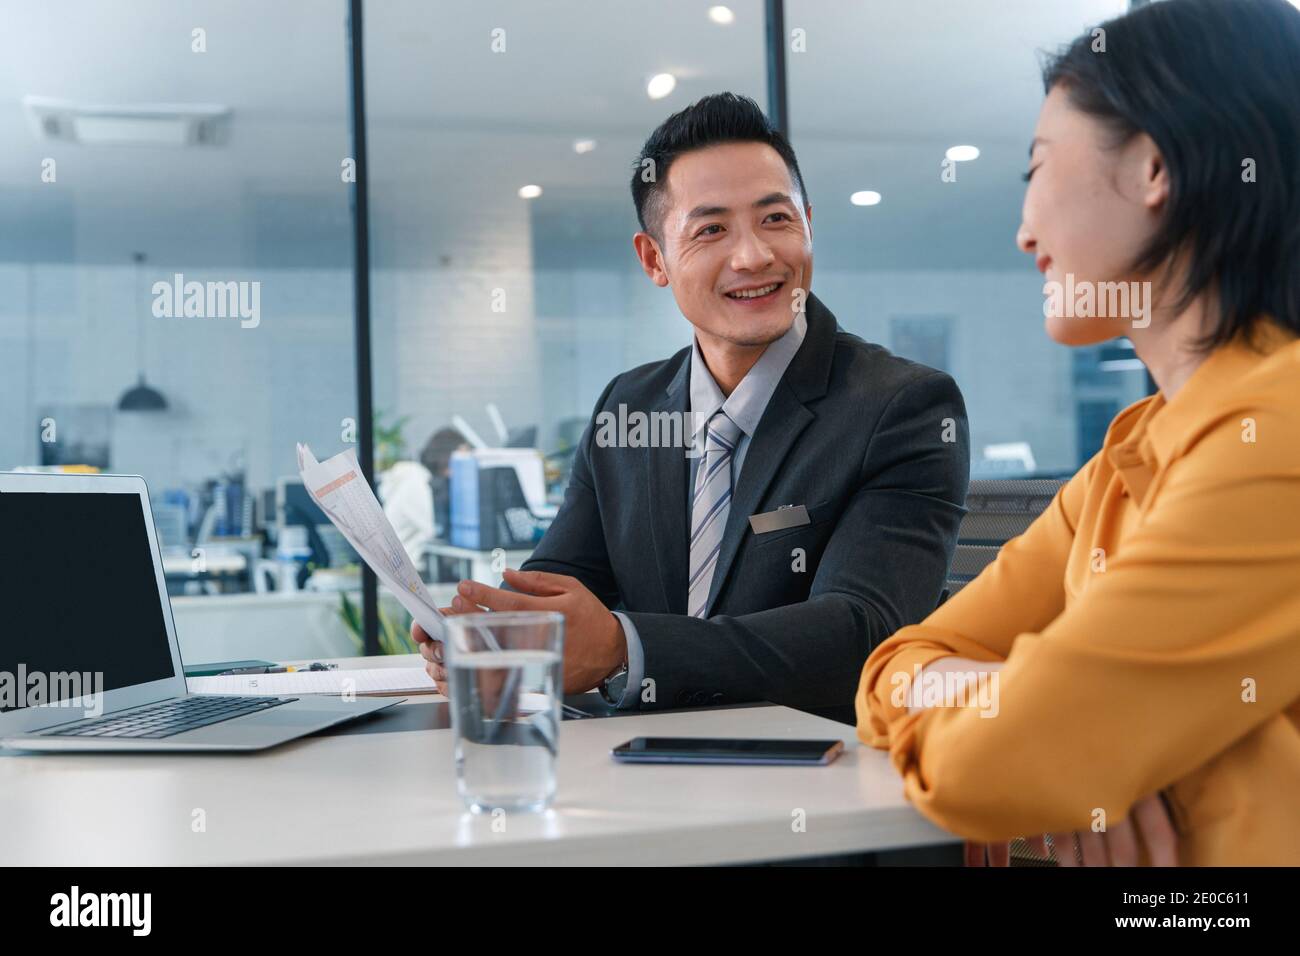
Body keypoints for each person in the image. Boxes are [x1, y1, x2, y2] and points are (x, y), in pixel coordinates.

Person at [857, 0, 1300, 866]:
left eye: (1037, 168)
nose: (1024, 230)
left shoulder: (1278, 437)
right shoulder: (1126, 460)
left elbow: (994, 762)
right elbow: (897, 661)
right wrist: (1049, 719)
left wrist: (1052, 736)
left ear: (1152, 167)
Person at [416, 93, 970, 722]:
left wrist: (627, 648)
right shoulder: (628, 408)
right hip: (628, 773)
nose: (754, 256)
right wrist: (496, 636)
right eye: (711, 229)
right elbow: (564, 583)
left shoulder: (903, 407)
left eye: (776, 219)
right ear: (655, 259)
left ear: (809, 225)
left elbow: (862, 635)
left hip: (816, 779)